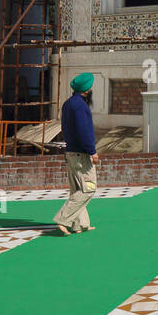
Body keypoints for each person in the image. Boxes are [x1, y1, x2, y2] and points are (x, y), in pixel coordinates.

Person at [53, 73, 99, 235]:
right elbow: (84, 131)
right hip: (81, 154)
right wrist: (92, 151)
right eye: (91, 87)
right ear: (86, 90)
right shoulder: (80, 106)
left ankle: (80, 225)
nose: (91, 89)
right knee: (88, 188)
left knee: (77, 189)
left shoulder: (68, 104)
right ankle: (62, 219)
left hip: (71, 152)